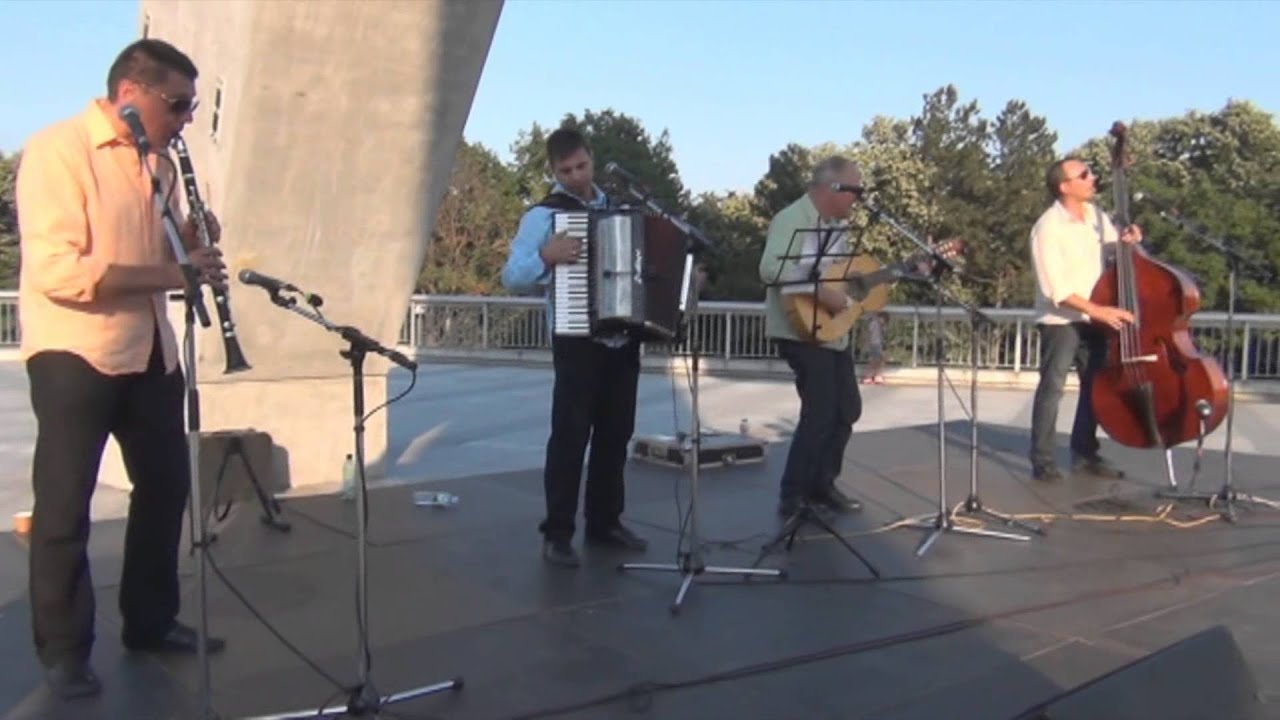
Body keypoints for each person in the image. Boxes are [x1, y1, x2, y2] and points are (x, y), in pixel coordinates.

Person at [16, 38, 228, 699]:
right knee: (63, 507)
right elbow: (58, 272)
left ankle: (150, 619)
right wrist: (173, 271)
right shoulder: (59, 151)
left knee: (166, 487)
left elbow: (171, 256)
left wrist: (192, 241)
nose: (186, 117)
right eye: (178, 104)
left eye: (192, 106)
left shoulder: (159, 165)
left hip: (149, 350)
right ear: (130, 93)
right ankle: (63, 650)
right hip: (76, 351)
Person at [501, 127, 649, 568]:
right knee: (569, 438)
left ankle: (605, 522)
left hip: (621, 338)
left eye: (581, 166)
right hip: (574, 340)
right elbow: (512, 278)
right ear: (553, 170)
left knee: (615, 435)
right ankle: (558, 532)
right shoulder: (544, 216)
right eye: (565, 170)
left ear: (592, 159)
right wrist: (546, 257)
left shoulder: (620, 210)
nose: (575, 176)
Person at [758, 156, 868, 517]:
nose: (859, 197)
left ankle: (822, 485)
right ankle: (793, 494)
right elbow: (770, 267)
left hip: (830, 331)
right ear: (832, 188)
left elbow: (838, 277)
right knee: (820, 411)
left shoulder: (836, 227)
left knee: (847, 408)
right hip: (800, 329)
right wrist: (823, 294)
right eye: (855, 190)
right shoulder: (793, 219)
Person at [1028, 157, 1142, 482]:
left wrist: (1128, 239)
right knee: (1053, 388)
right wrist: (1100, 311)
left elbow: (1113, 247)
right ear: (1065, 186)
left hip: (1094, 316)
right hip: (1061, 320)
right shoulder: (1047, 227)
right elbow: (1056, 290)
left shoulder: (1096, 216)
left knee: (1094, 388)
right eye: (1084, 174)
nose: (1092, 178)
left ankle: (1085, 453)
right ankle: (1043, 461)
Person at [862, 311, 889, 385]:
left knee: (878, 360)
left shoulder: (879, 325)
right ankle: (869, 376)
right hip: (874, 344)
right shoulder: (874, 323)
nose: (883, 322)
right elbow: (869, 334)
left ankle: (875, 376)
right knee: (874, 361)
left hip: (877, 344)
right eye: (883, 319)